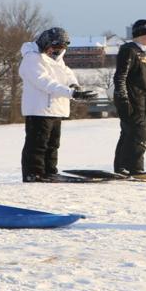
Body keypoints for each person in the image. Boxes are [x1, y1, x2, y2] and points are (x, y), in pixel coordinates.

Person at [18, 27, 93, 182]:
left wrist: (74, 86)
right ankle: (34, 172)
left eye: (61, 49)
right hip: (39, 109)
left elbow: (67, 74)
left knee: (53, 144)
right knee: (38, 144)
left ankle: (49, 170)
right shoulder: (32, 59)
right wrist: (70, 93)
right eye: (55, 48)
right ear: (46, 43)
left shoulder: (57, 60)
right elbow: (45, 82)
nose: (57, 52)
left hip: (56, 108)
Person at [113, 19, 146, 179]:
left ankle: (122, 167)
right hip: (132, 99)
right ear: (142, 33)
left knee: (128, 133)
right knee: (139, 134)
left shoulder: (142, 52)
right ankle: (135, 168)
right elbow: (120, 77)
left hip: (141, 99)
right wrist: (123, 100)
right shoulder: (129, 50)